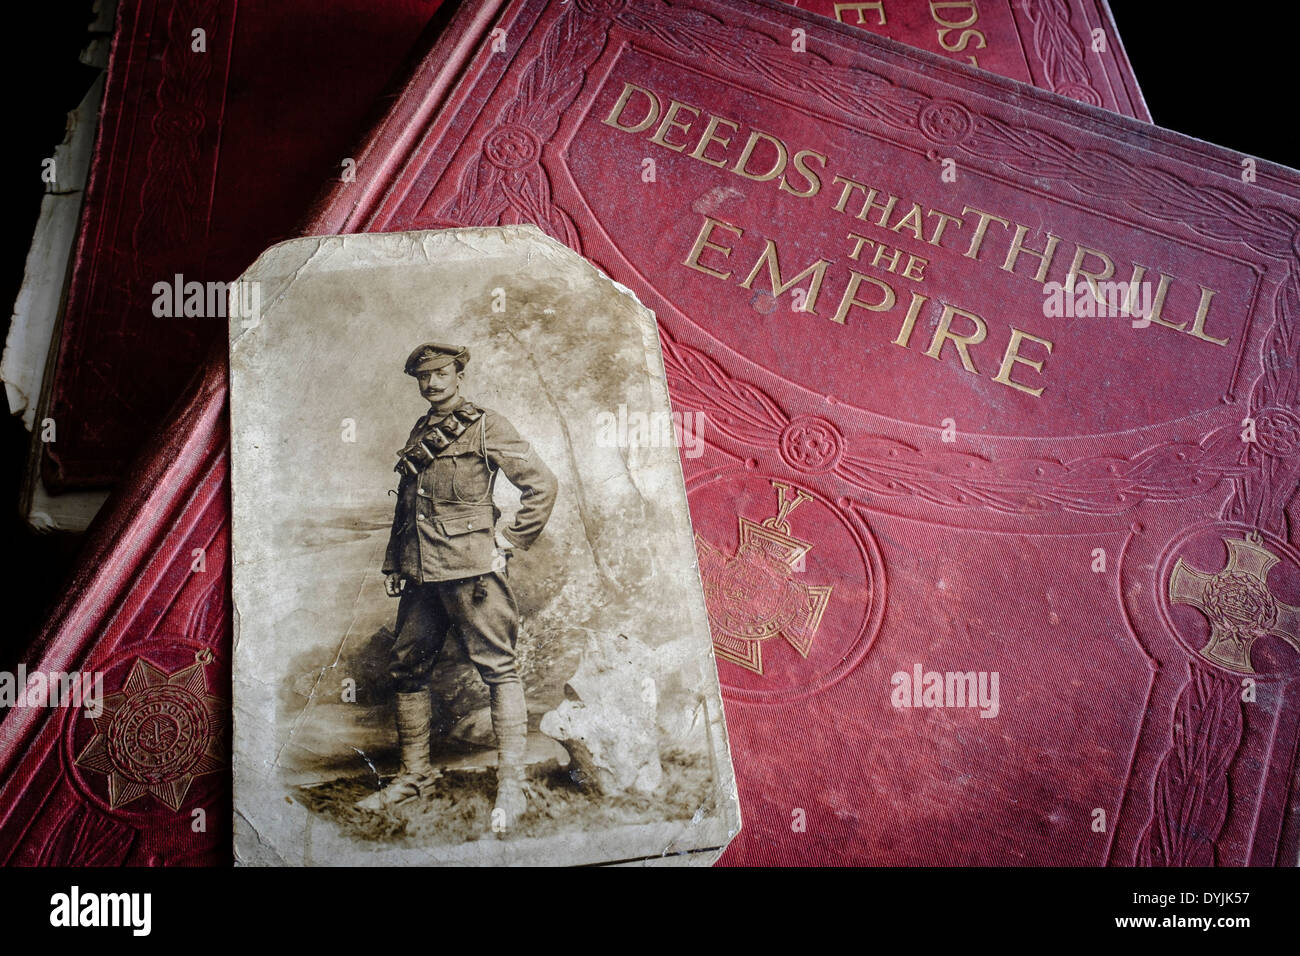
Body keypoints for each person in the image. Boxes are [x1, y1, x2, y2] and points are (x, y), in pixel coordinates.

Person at [357, 342, 557, 833]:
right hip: (422, 574)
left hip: (473, 572)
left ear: (459, 374)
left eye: (442, 373)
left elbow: (542, 484)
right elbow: (408, 507)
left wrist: (508, 540)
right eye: (423, 377)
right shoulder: (421, 430)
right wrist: (394, 562)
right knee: (407, 669)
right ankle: (415, 776)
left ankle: (511, 784)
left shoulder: (487, 424)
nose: (433, 383)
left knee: (499, 669)